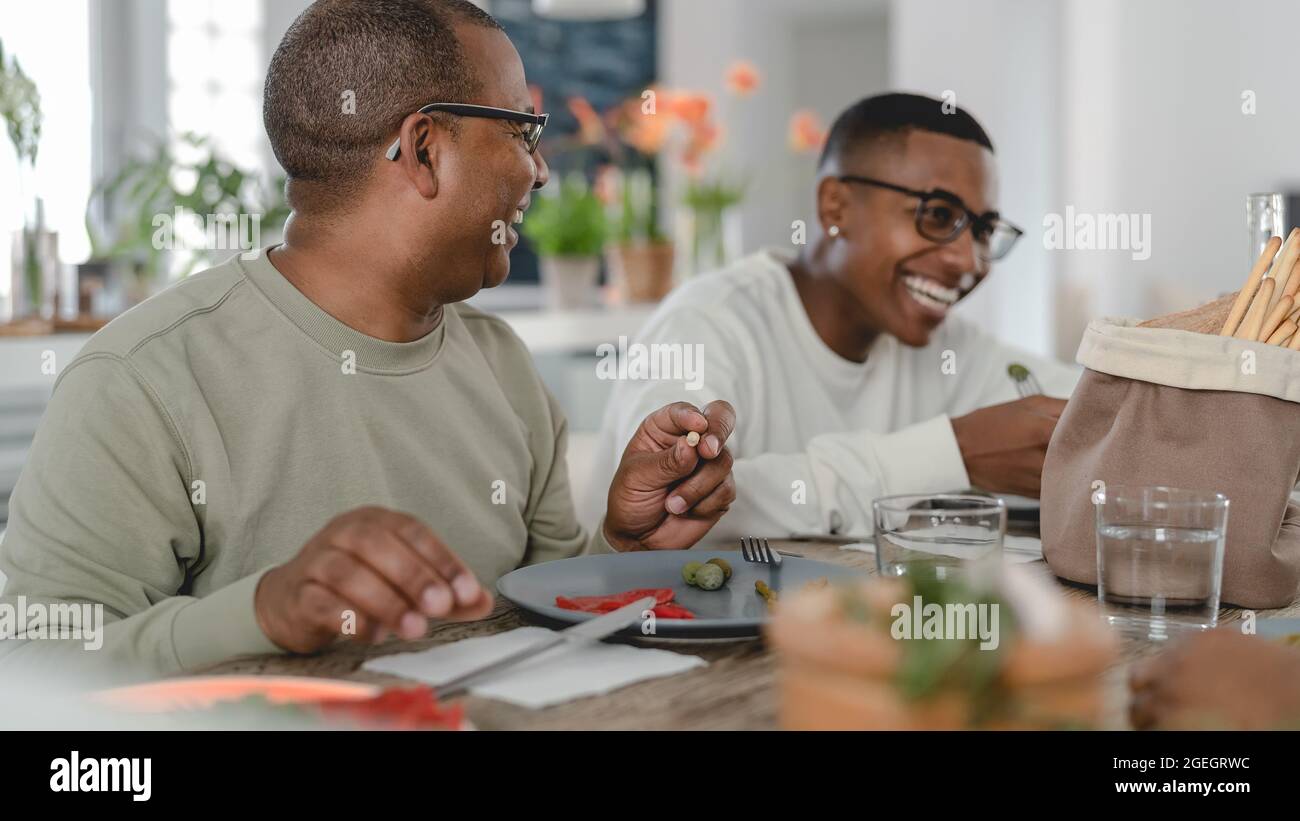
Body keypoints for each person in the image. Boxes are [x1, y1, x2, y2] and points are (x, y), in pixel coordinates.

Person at [0, 0, 736, 679]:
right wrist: (262, 611)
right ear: (422, 149)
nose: (539, 170)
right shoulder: (140, 380)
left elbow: (545, 616)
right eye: (520, 131)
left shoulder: (502, 365)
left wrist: (622, 551)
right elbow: (35, 663)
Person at [585, 93, 1077, 541]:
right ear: (835, 205)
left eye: (985, 230)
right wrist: (955, 453)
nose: (968, 261)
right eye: (939, 215)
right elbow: (671, 507)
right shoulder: (707, 324)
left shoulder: (951, 348)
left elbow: (1093, 401)